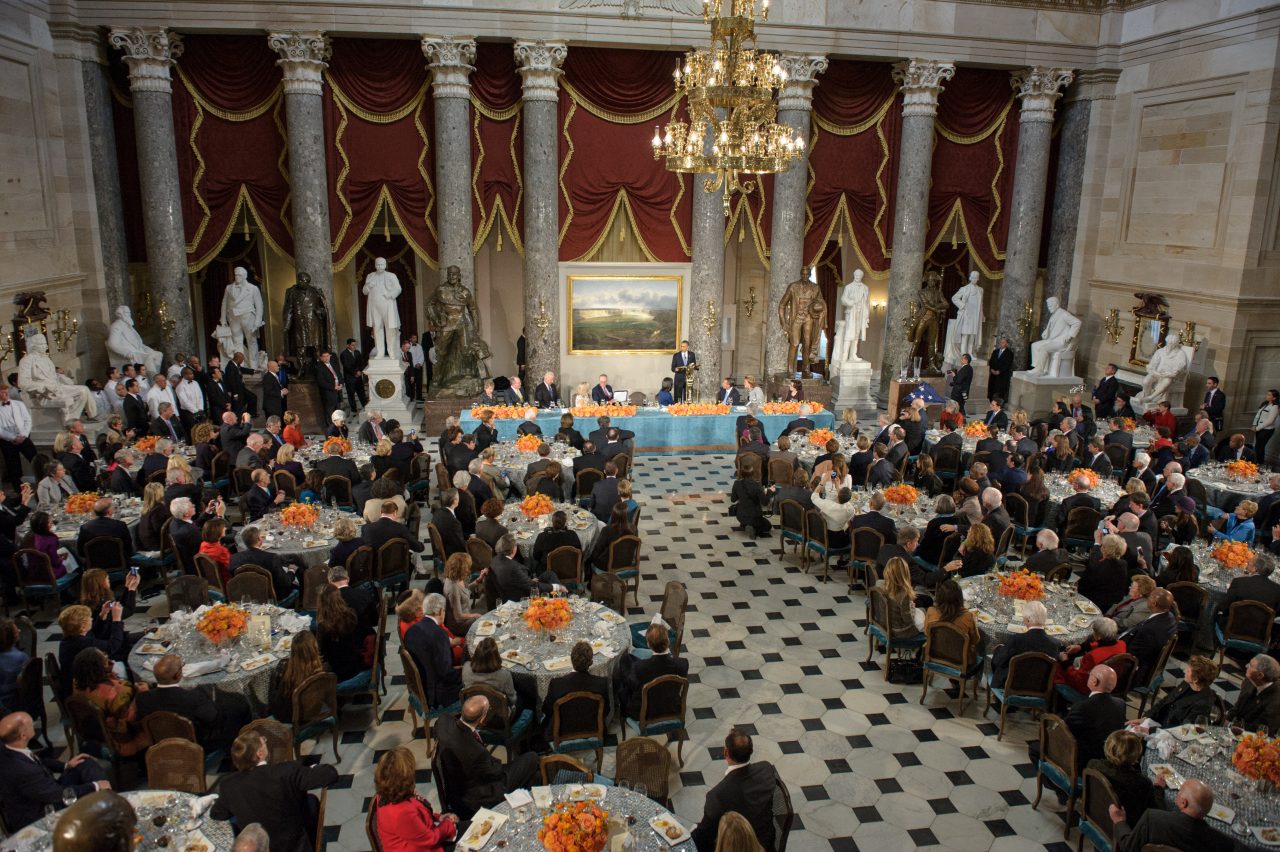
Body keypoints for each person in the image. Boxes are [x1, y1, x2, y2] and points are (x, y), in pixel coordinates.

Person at [212, 729, 338, 852]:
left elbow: (217, 814)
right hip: (294, 845)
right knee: (311, 802)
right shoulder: (286, 771)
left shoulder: (227, 785)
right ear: (260, 753)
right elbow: (330, 774)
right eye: (264, 741)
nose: (266, 743)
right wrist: (314, 767)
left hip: (256, 846)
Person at [0, 711, 110, 830]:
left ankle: (106, 804)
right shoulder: (22, 769)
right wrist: (95, 786)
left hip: (46, 790)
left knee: (84, 762)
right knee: (96, 785)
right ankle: (107, 811)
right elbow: (57, 794)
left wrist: (66, 765)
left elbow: (40, 760)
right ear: (23, 736)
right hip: (42, 812)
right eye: (31, 724)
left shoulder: (9, 747)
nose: (34, 724)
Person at [434, 695, 539, 818]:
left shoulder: (443, 721)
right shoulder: (477, 752)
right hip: (478, 795)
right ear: (483, 719)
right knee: (532, 758)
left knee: (533, 773)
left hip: (456, 786)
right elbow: (496, 772)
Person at [134, 653, 249, 751]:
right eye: (182, 667)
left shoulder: (142, 699)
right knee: (240, 705)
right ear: (178, 675)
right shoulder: (192, 698)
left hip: (162, 745)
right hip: (197, 745)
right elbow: (214, 720)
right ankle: (238, 752)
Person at [690, 727, 779, 851]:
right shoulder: (766, 769)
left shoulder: (717, 796)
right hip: (766, 844)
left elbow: (703, 836)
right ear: (751, 751)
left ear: (726, 753)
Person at [1109, 778, 1232, 852]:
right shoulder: (1221, 842)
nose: (1178, 793)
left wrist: (1120, 821)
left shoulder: (1152, 819)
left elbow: (1128, 847)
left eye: (1180, 791)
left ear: (1184, 803)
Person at [373, 747, 457, 852]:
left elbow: (417, 818)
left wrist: (438, 818)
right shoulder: (402, 812)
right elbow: (430, 839)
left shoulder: (388, 793)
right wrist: (448, 825)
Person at [70, 647, 149, 756]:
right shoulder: (114, 693)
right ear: (99, 668)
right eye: (105, 659)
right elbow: (129, 717)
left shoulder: (77, 683)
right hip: (120, 741)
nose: (109, 660)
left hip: (94, 733)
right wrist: (140, 694)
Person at [1085, 730, 1158, 831]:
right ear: (1136, 754)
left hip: (1096, 813)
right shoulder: (1142, 783)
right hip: (1123, 828)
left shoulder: (1093, 765)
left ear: (1107, 747)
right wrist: (1158, 788)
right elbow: (1155, 812)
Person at [617, 623, 689, 719]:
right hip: (671, 708)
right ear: (668, 641)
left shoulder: (640, 667)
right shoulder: (683, 664)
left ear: (648, 644)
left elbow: (632, 686)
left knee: (623, 682)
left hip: (643, 712)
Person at [403, 593, 463, 706]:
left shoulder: (410, 632)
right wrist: (465, 672)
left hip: (421, 689)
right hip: (438, 695)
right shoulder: (439, 635)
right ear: (440, 611)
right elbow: (446, 673)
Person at [1132, 655, 1220, 730]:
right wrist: (1145, 718)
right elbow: (1164, 701)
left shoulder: (1203, 704)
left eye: (1188, 671)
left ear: (1195, 679)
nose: (1184, 671)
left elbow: (1182, 730)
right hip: (1155, 722)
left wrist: (1150, 730)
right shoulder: (1186, 683)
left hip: (1165, 734)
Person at [541, 640, 609, 737]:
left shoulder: (557, 684)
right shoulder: (601, 683)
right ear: (591, 662)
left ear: (571, 660)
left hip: (561, 731)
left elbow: (547, 710)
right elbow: (606, 711)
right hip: (594, 728)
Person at [989, 601, 1060, 690]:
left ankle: (998, 701)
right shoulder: (1055, 644)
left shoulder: (1016, 640)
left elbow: (998, 661)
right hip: (1041, 688)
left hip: (1013, 686)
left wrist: (998, 650)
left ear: (1027, 620)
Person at [316, 585, 373, 684]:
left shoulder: (323, 626)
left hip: (338, 673)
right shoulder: (351, 614)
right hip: (355, 663)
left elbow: (321, 653)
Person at [1056, 617, 1127, 695]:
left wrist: (1065, 662)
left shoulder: (1092, 657)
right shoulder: (1122, 644)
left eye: (1094, 632)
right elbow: (1104, 646)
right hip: (1109, 682)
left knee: (1056, 670)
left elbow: (1078, 681)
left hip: (1088, 690)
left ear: (1098, 636)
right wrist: (1081, 647)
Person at [269, 630, 325, 723]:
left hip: (288, 716)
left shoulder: (284, 666)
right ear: (314, 647)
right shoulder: (323, 669)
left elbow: (276, 692)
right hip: (314, 710)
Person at [462, 637, 519, 715]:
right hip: (497, 718)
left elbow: (465, 688)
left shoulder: (466, 668)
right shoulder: (504, 675)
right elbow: (513, 700)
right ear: (496, 656)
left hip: (474, 711)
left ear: (476, 653)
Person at [923, 579, 980, 654]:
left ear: (939, 596)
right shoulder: (968, 616)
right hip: (959, 660)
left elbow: (927, 633)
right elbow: (975, 640)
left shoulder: (931, 611)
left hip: (935, 655)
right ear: (960, 597)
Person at [1229, 654, 1280, 733]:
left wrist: (1233, 726)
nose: (1246, 666)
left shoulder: (1276, 701)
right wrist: (1227, 718)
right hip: (1236, 727)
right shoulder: (1249, 680)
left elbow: (1262, 729)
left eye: (1250, 666)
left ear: (1260, 675)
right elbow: (1238, 706)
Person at [1079, 533, 1129, 614]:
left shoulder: (1097, 567)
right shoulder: (1123, 564)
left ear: (1104, 549)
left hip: (1093, 604)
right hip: (1112, 604)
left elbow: (1082, 588)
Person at [877, 558, 923, 639]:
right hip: (901, 632)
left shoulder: (879, 584)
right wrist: (912, 609)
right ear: (905, 573)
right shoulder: (904, 594)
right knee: (927, 622)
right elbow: (908, 621)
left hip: (886, 625)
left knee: (921, 612)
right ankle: (914, 649)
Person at [731, 455, 771, 537]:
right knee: (768, 526)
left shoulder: (737, 483)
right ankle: (753, 528)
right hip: (754, 517)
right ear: (753, 473)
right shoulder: (757, 485)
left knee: (747, 515)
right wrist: (770, 491)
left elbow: (733, 499)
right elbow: (765, 502)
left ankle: (745, 525)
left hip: (740, 515)